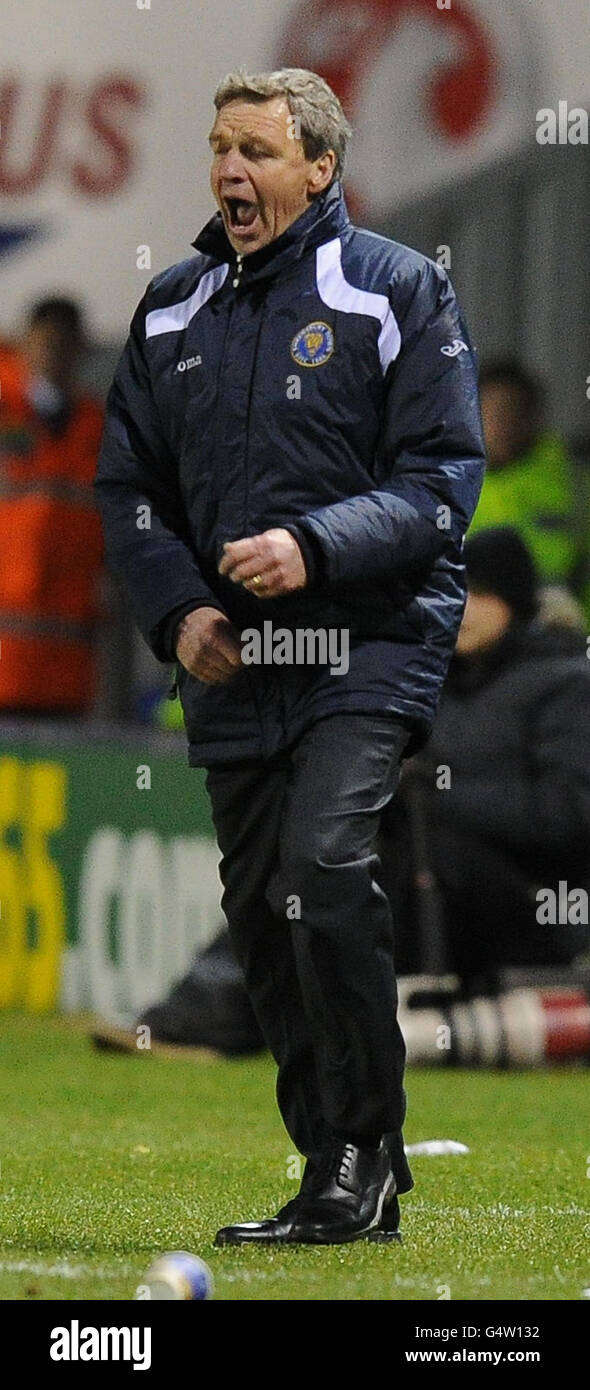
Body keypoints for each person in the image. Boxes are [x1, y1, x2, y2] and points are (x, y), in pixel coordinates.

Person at [95, 67, 485, 1247]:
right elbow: (128, 490)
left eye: (256, 151)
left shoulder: (396, 290)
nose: (228, 171)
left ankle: (362, 1155)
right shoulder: (170, 308)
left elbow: (438, 483)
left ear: (320, 168)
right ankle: (334, 1169)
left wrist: (311, 547)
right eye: (219, 148)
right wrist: (175, 614)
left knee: (321, 862)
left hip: (367, 642)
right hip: (230, 660)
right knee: (267, 923)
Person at [385, 527, 590, 984]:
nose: (460, 609)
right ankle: (232, 1010)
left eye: (478, 593)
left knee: (435, 855)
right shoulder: (432, 686)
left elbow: (566, 813)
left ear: (513, 600)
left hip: (538, 904)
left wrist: (432, 795)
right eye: (451, 592)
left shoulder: (567, 684)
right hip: (439, 881)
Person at [0, 297, 104, 714]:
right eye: (45, 342)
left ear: (78, 349)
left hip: (68, 664)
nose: (52, 354)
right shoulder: (7, 411)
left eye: (63, 344)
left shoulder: (95, 427)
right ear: (26, 343)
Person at [470, 359, 589, 618]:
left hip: (561, 636)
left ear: (533, 417)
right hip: (472, 639)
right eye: (491, 412)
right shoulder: (446, 481)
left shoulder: (572, 480)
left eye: (513, 411)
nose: (502, 425)